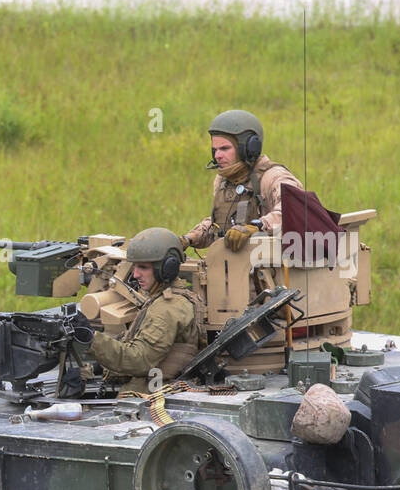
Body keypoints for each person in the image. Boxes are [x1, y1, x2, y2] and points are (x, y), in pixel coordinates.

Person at [85, 228, 204, 394]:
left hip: (149, 397)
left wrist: (90, 338)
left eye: (143, 267)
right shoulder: (164, 299)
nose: (135, 274)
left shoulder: (167, 308)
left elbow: (139, 360)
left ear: (166, 268)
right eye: (135, 267)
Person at [181, 110, 303, 253]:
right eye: (215, 150)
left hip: (272, 263)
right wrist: (190, 238)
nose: (218, 156)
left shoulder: (273, 176)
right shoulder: (223, 180)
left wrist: (257, 226)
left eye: (225, 148)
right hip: (231, 262)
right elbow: (218, 225)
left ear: (249, 148)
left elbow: (294, 209)